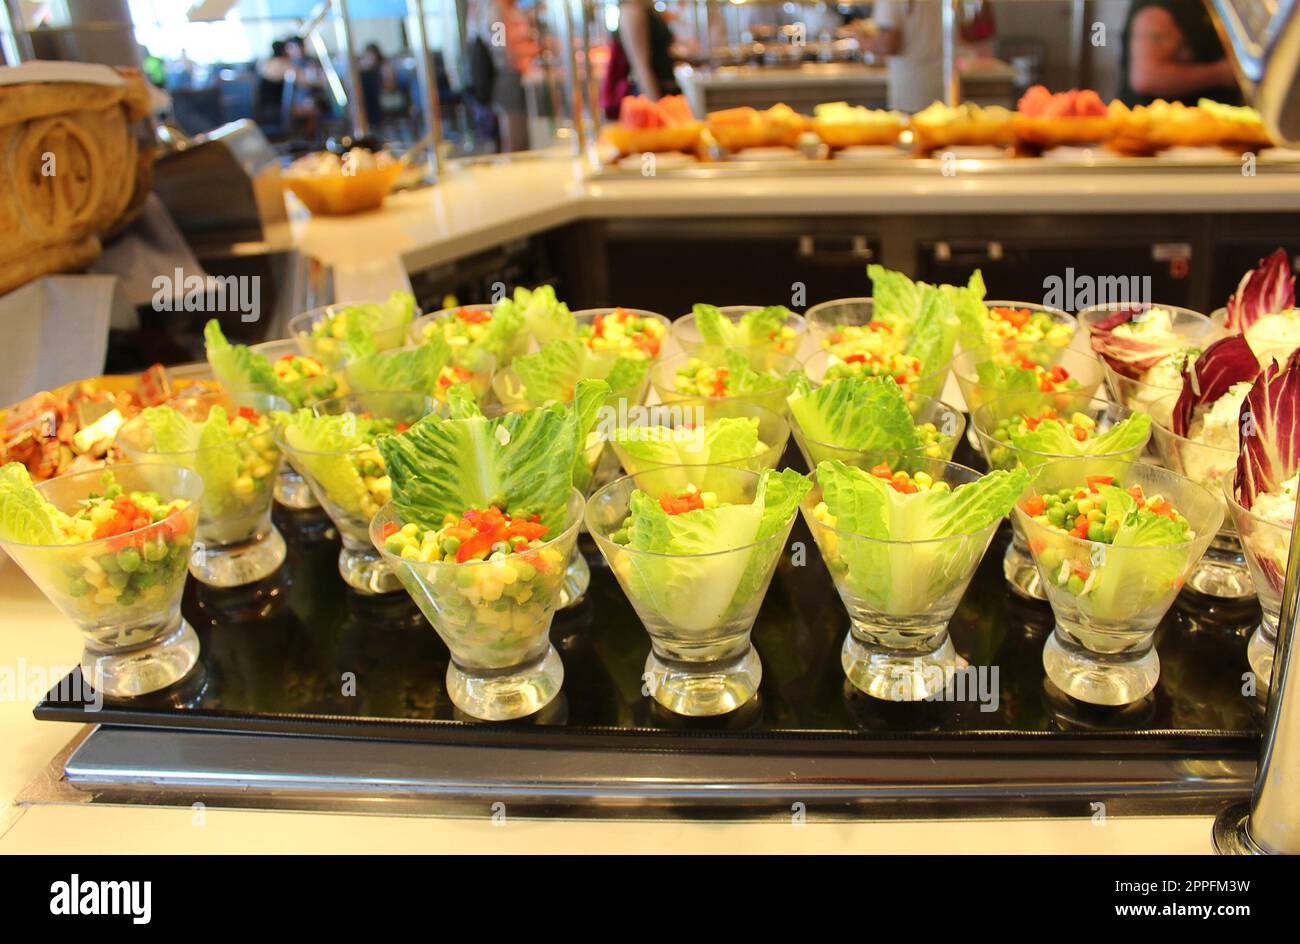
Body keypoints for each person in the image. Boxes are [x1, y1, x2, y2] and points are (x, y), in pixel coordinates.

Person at [1118, 0, 1240, 106]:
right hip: (1163, 126)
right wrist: (1223, 73)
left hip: (1206, 123)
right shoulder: (1163, 6)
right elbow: (1147, 77)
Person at [859, 1, 944, 113]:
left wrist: (861, 39)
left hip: (911, 91)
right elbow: (966, 31)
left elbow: (887, 45)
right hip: (945, 87)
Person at [617, 0, 680, 101]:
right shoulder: (632, 10)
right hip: (653, 92)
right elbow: (640, 65)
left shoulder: (647, 8)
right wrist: (656, 104)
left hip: (667, 91)